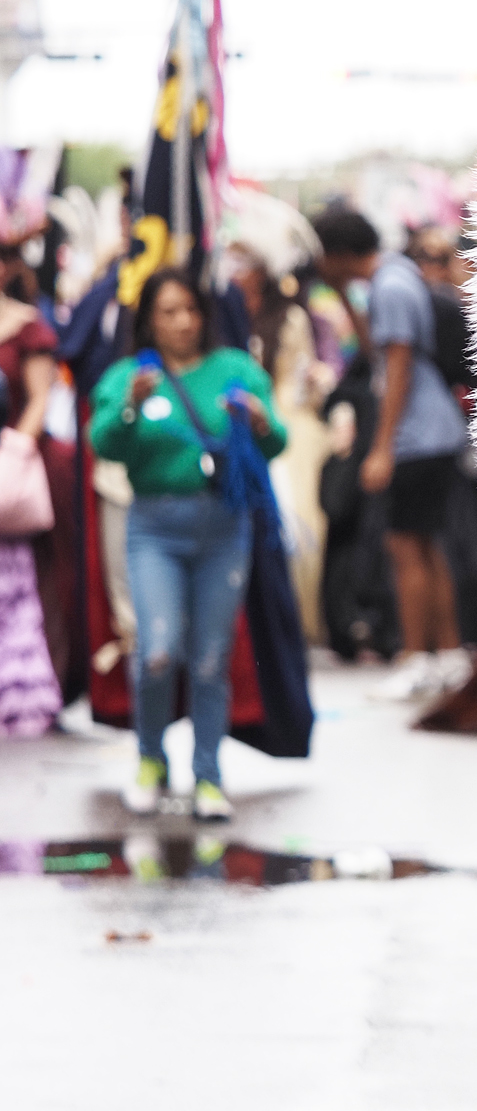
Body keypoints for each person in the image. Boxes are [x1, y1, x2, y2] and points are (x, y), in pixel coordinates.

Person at [89, 269, 286, 818]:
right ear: (149, 319)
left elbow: (277, 443)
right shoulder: (130, 374)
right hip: (153, 528)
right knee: (157, 651)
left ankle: (208, 775)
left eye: (190, 310)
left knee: (209, 659)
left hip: (223, 528)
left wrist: (261, 420)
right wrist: (129, 406)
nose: (181, 322)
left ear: (205, 315)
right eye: (168, 311)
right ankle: (151, 758)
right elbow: (103, 443)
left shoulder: (235, 369)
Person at [314, 210, 468, 698]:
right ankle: (447, 654)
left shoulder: (391, 287)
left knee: (405, 548)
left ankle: (415, 657)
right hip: (433, 433)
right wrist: (343, 296)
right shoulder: (394, 279)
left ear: (336, 253)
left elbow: (397, 368)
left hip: (417, 437)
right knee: (425, 544)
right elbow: (375, 353)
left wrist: (381, 448)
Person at [0, 285, 61, 737]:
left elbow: (40, 398)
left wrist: (14, 454)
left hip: (9, 464)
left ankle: (20, 700)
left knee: (14, 595)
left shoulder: (27, 329)